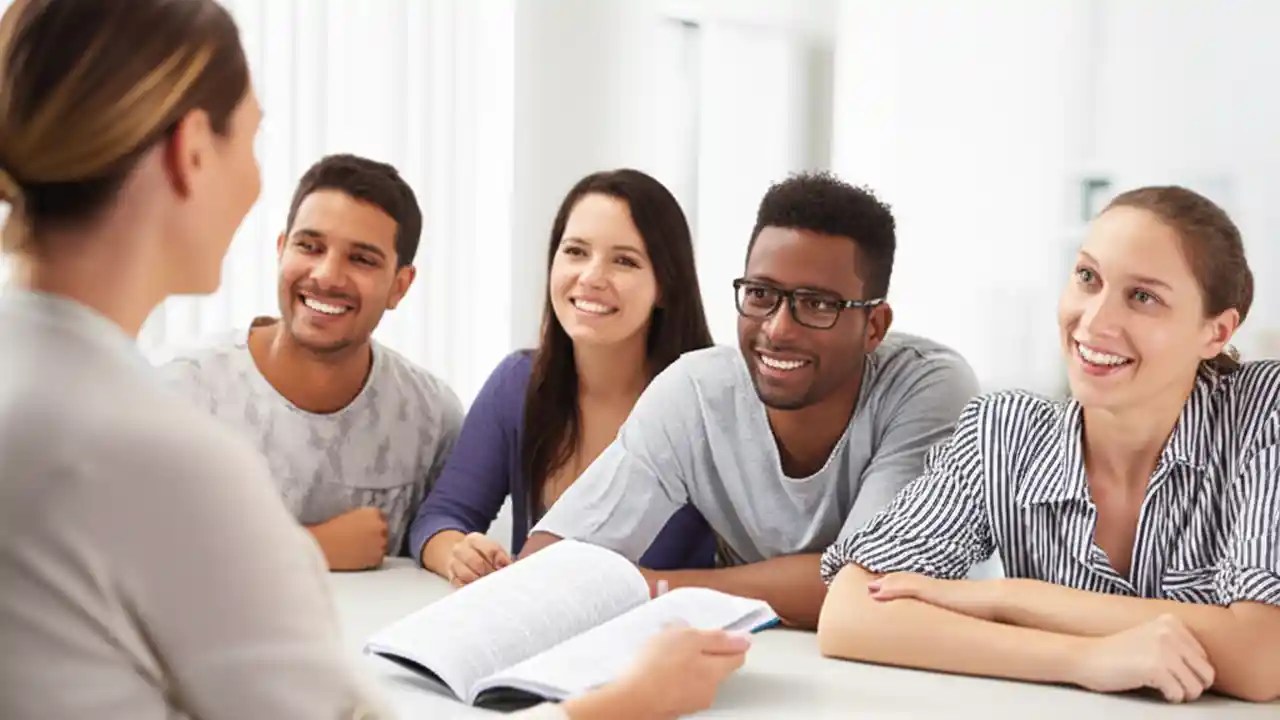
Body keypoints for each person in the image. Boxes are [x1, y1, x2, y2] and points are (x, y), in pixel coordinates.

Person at [0, 1, 746, 718]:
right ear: (191, 152)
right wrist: (626, 705)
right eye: (251, 139)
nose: (258, 182)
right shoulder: (166, 456)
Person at [817, 186, 1280, 704]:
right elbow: (849, 614)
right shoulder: (1005, 432)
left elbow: (1263, 656)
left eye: (1143, 297)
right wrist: (1084, 659)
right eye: (1088, 277)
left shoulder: (1264, 416)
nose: (1095, 321)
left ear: (1216, 333)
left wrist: (1007, 599)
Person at [522, 172, 979, 629]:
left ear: (874, 327)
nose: (778, 329)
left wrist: (653, 587)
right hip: (755, 659)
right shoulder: (696, 392)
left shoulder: (929, 387)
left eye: (818, 304)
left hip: (918, 673)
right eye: (761, 295)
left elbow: (865, 587)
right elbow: (550, 558)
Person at [411, 169, 716, 585]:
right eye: (575, 252)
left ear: (665, 284)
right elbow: (443, 515)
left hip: (667, 637)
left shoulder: (707, 405)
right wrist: (456, 553)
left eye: (624, 260)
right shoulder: (518, 383)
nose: (591, 277)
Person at [165, 153, 462, 571]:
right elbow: (128, 561)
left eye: (361, 259)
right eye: (310, 246)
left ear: (400, 286)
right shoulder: (183, 392)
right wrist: (313, 547)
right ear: (281, 249)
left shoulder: (433, 419)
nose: (326, 275)